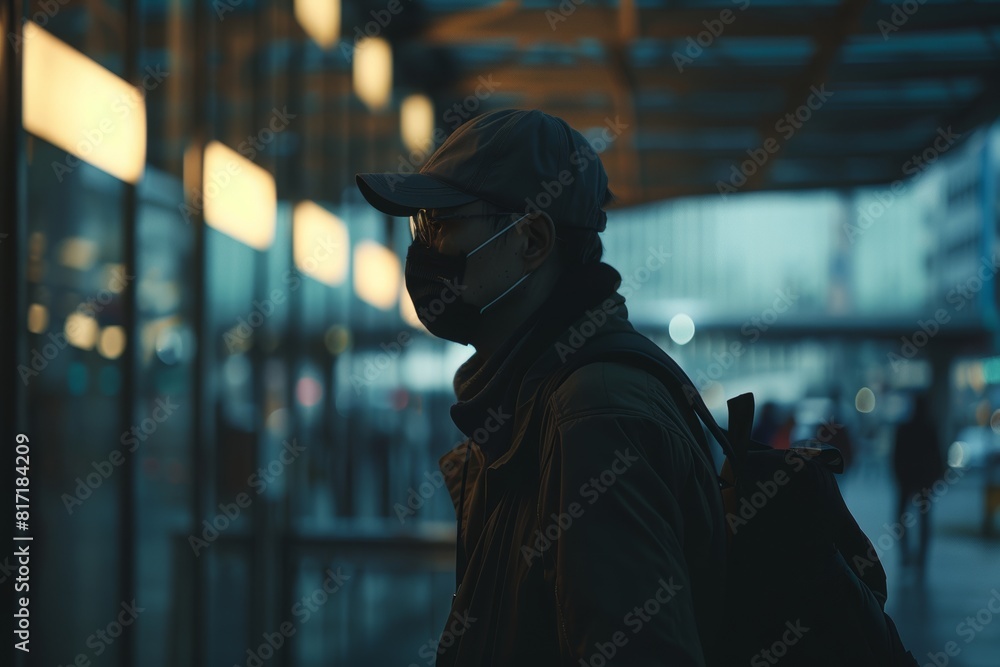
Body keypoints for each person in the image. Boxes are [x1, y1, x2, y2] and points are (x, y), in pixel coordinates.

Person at [356, 109, 727, 666]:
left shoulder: (596, 414)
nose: (424, 247)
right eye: (420, 226)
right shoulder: (525, 403)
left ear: (531, 240)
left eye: (442, 222)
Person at [891, 392, 945, 572]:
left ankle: (907, 555)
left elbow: (896, 456)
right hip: (922, 481)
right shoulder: (929, 429)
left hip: (908, 479)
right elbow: (937, 458)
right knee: (923, 518)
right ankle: (920, 556)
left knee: (902, 518)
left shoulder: (905, 428)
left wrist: (898, 476)